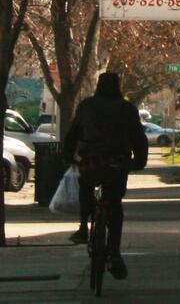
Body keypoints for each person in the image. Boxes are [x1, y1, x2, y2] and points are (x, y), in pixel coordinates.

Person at [63, 72, 147, 277]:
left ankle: (83, 226)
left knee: (86, 186)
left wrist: (69, 157)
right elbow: (139, 138)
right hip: (116, 163)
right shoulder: (127, 109)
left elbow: (73, 134)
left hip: (91, 160)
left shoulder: (87, 106)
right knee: (115, 204)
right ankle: (115, 253)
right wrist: (138, 162)